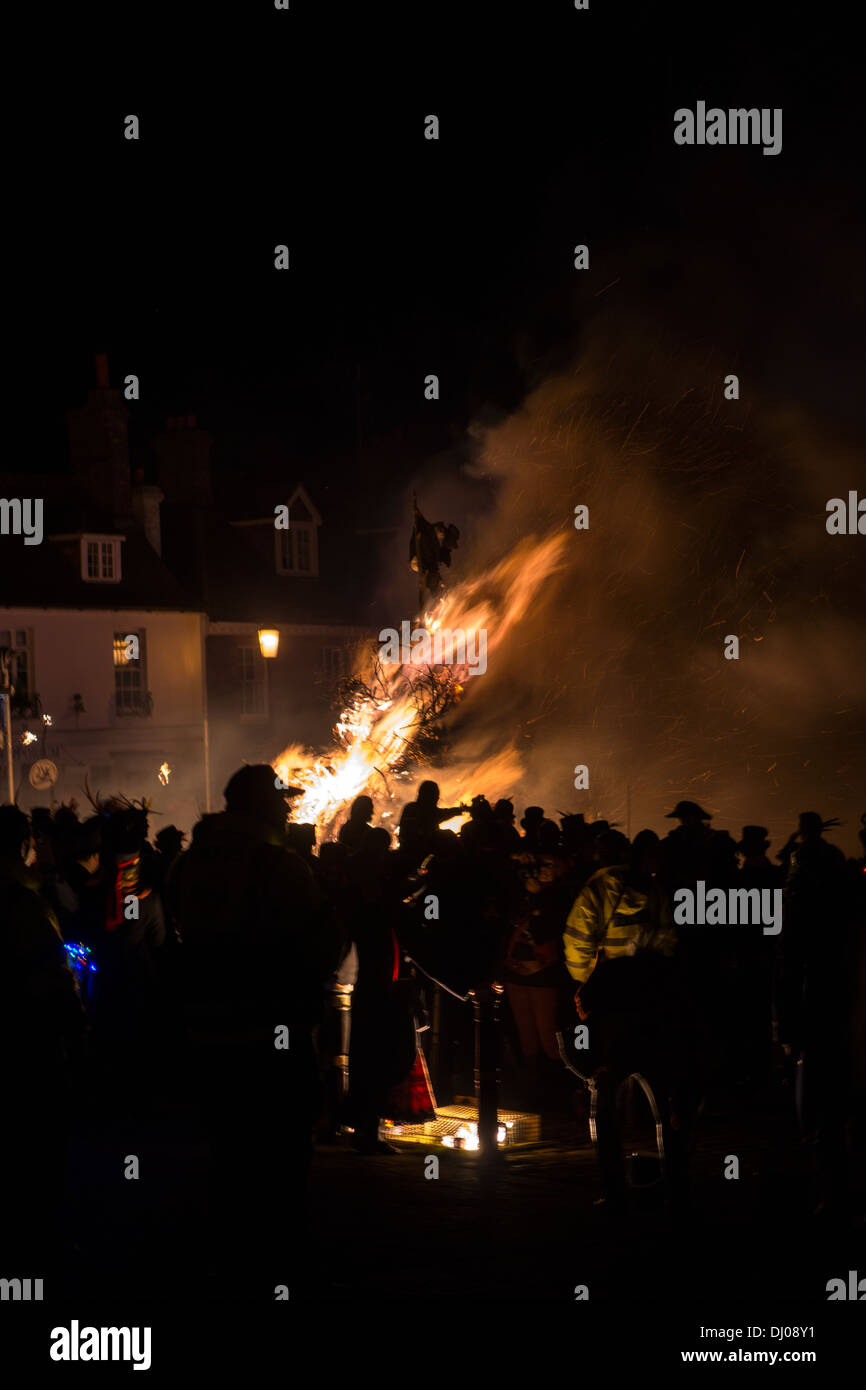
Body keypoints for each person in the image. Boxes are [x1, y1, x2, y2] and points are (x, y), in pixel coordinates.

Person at [166, 765, 343, 1293]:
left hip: (207, 1035)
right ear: (261, 808)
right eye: (280, 802)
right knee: (279, 1154)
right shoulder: (277, 866)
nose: (289, 809)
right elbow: (317, 947)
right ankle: (276, 1259)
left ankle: (230, 1256)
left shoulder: (189, 864)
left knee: (227, 1153)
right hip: (270, 1035)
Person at [564, 829, 688, 1214]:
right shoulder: (656, 889)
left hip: (611, 1010)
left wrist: (588, 982)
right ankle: (674, 1187)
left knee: (604, 1096)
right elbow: (670, 940)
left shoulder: (599, 888)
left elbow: (577, 941)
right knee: (663, 1095)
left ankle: (613, 1188)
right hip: (652, 1003)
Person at [0, 805, 85, 1269]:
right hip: (29, 1047)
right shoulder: (24, 903)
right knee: (36, 1151)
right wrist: (75, 1023)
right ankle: (36, 1248)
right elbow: (53, 974)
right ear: (20, 846)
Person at [398, 780, 464, 866]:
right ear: (429, 796)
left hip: (410, 851)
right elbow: (440, 814)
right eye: (436, 795)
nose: (437, 798)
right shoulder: (422, 811)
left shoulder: (411, 808)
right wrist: (460, 810)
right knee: (447, 835)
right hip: (419, 855)